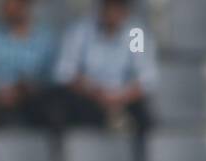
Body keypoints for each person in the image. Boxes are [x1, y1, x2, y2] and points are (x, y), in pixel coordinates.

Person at [53, 0, 158, 138]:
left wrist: (121, 98)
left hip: (124, 99)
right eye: (108, 6)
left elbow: (146, 77)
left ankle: (140, 157)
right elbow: (65, 72)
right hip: (88, 98)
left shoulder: (134, 34)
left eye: (117, 7)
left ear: (125, 11)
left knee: (146, 119)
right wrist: (95, 94)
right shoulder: (81, 31)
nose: (112, 13)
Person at [0, 0, 57, 130]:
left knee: (53, 106)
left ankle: (53, 148)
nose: (9, 9)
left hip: (32, 96)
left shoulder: (45, 36)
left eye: (15, 4)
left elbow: (51, 74)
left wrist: (28, 87)